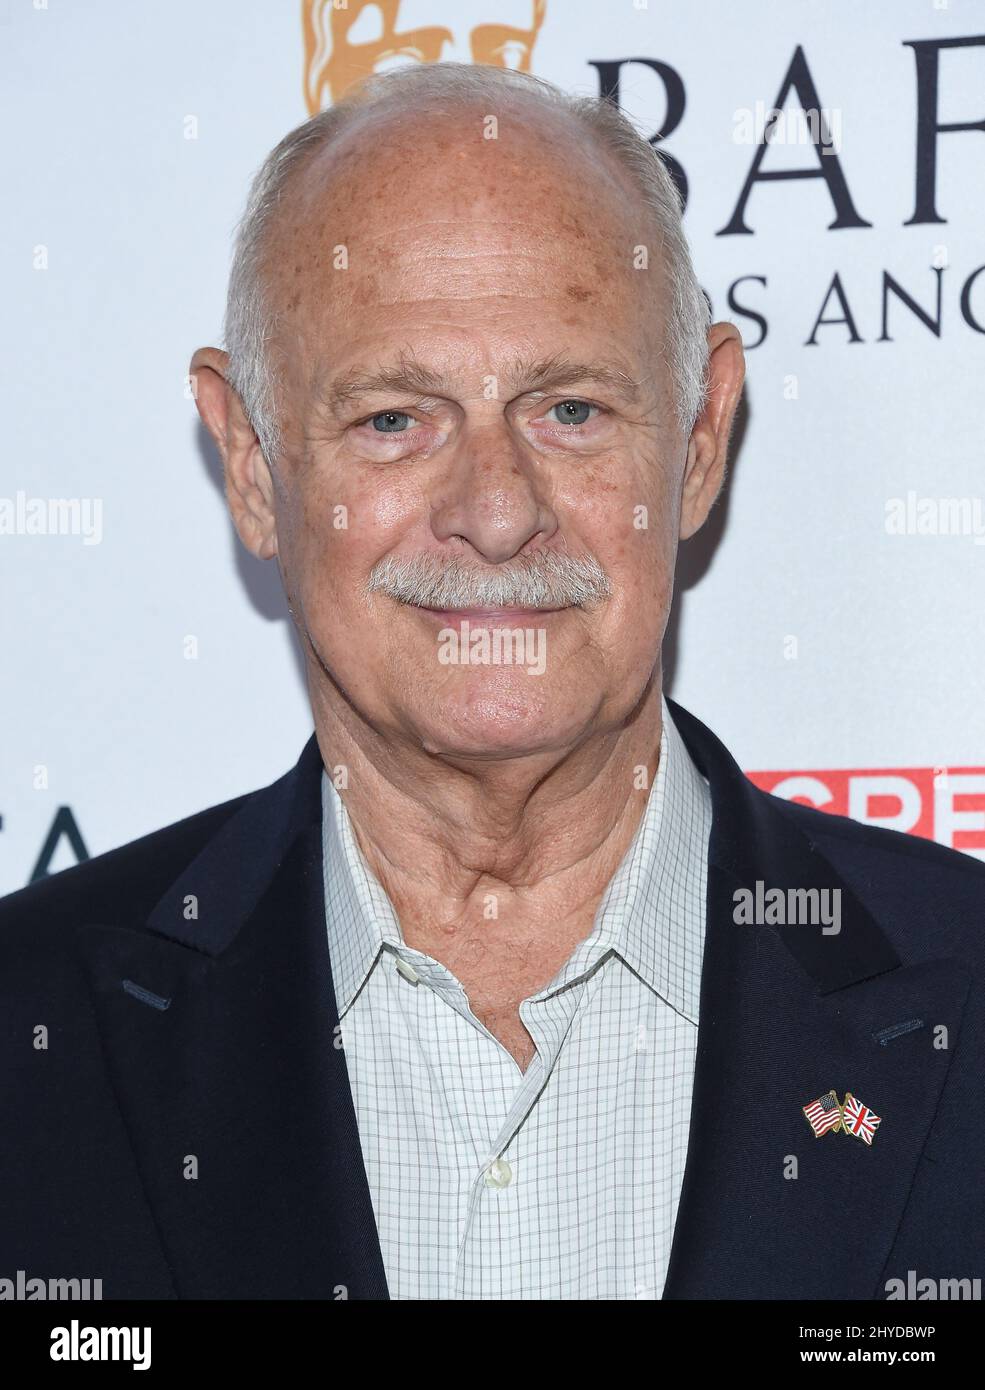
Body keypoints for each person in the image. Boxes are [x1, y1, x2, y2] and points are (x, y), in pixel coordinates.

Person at [1, 62, 982, 1301]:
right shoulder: (28, 1040)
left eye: (569, 409)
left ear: (697, 441)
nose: (498, 512)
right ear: (251, 465)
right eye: (394, 420)